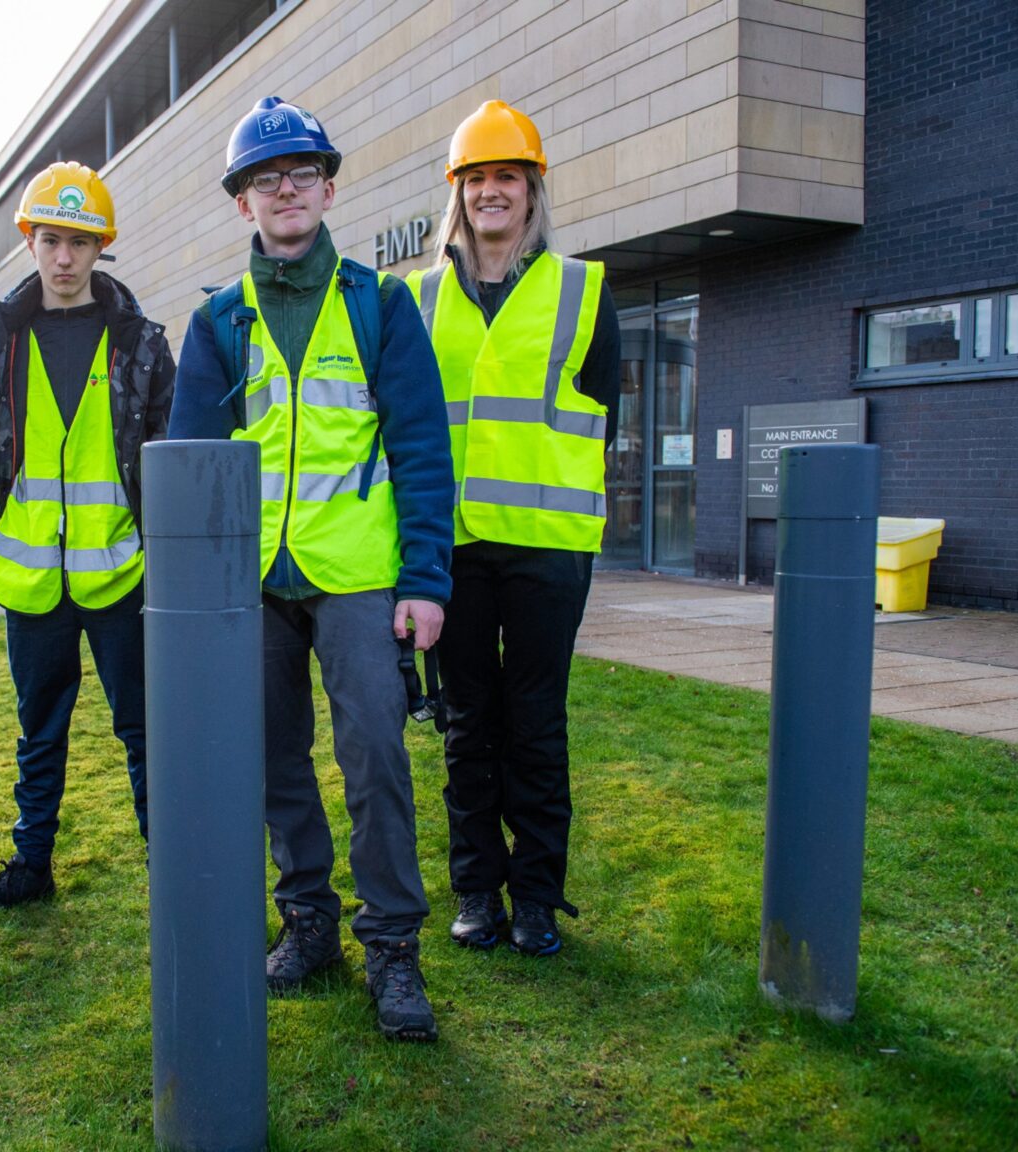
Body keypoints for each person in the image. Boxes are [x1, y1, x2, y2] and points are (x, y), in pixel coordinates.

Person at [168, 98, 454, 1042]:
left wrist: (425, 581)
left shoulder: (381, 304)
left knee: (374, 752)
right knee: (269, 759)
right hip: (252, 586)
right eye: (264, 177)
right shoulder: (216, 324)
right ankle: (310, 922)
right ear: (242, 202)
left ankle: (393, 947)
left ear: (329, 188)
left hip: (360, 576)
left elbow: (421, 450)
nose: (284, 190)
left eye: (300, 174)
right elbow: (195, 463)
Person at [406, 101, 621, 957]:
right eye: (476, 180)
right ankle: (475, 892)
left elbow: (601, 404)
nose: (492, 193)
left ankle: (536, 895)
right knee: (466, 723)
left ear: (533, 192)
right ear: (457, 196)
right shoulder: (414, 301)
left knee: (535, 722)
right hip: (450, 547)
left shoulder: (584, 290)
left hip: (548, 546)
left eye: (507, 178)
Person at [0, 162, 174, 910]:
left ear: (100, 245)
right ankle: (30, 865)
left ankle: (168, 864)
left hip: (122, 576)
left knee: (143, 731)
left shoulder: (141, 343)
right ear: (31, 244)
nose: (65, 257)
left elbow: (169, 447)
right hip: (32, 579)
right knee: (38, 730)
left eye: (79, 242)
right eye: (51, 240)